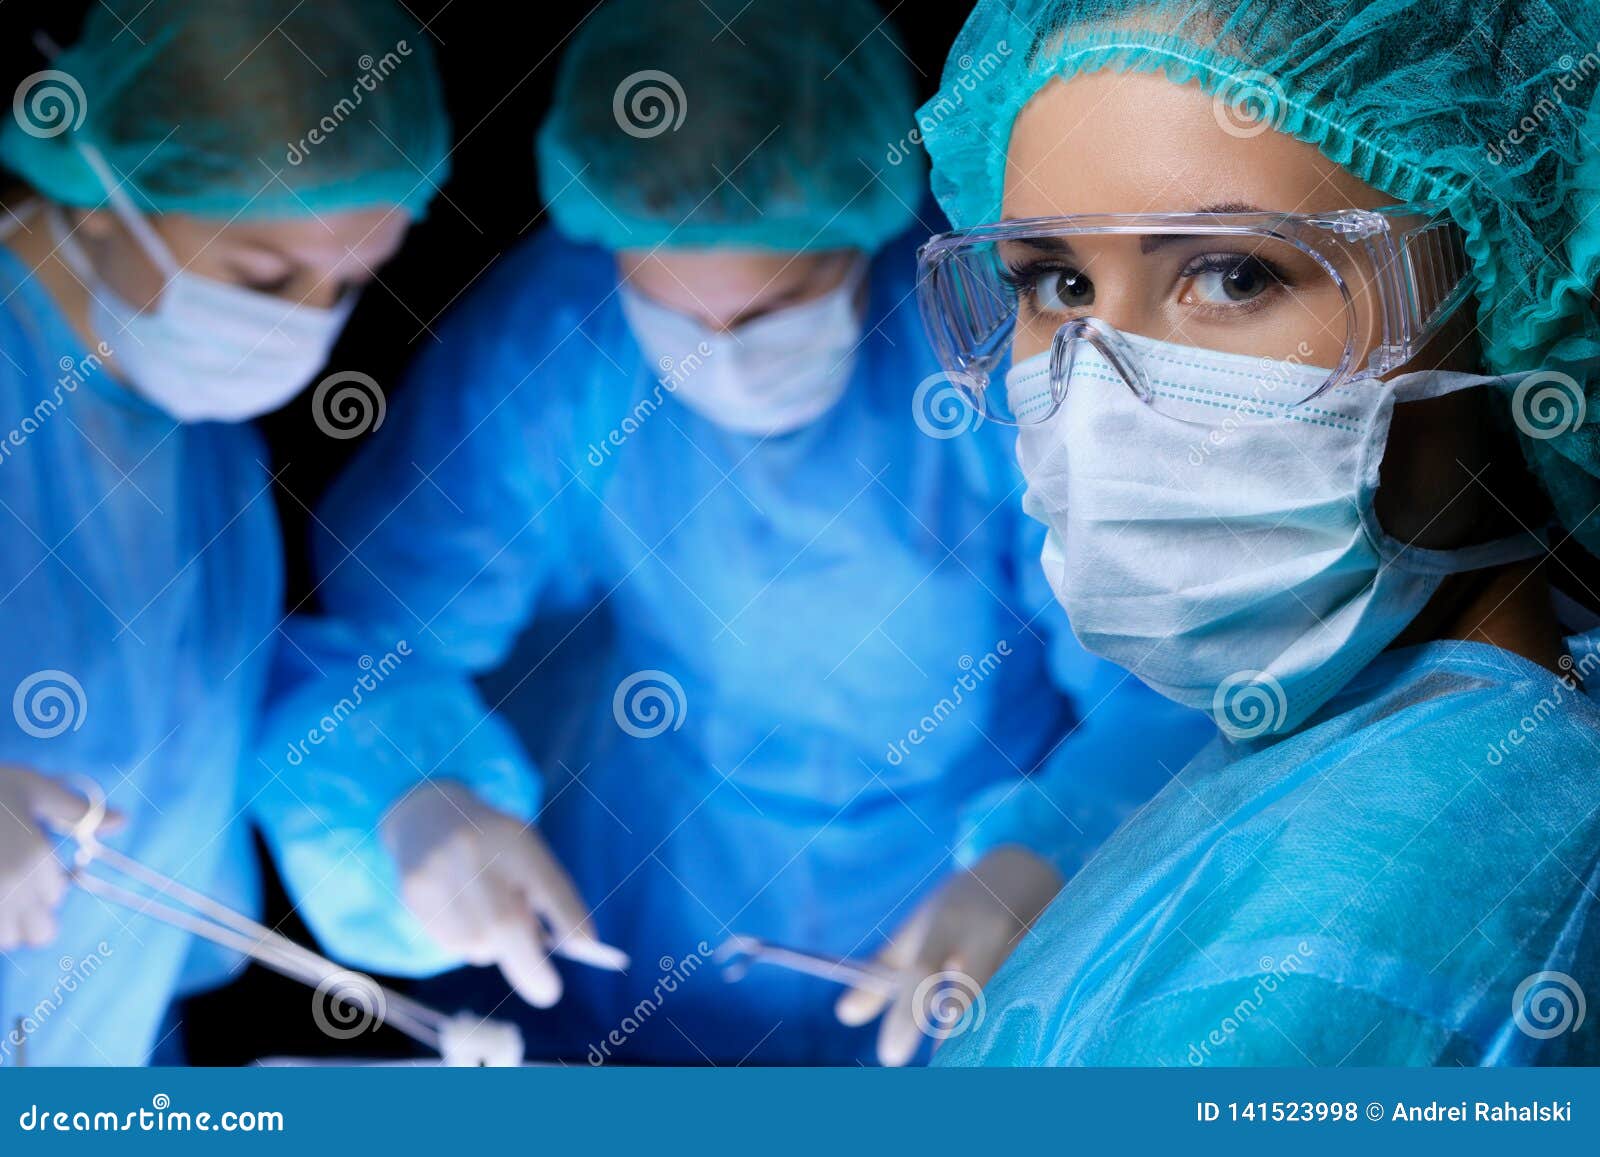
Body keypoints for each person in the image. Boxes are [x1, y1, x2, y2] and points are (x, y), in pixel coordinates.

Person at [252, 0, 1214, 1065]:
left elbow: (1167, 683)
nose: (726, 355)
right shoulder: (559, 346)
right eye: (675, 312)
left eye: (777, 303)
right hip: (640, 909)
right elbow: (376, 646)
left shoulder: (986, 332)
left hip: (959, 927)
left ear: (871, 221)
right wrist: (409, 796)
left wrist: (1050, 853)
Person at [913, 0, 1600, 1065]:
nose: (1102, 394)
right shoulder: (1366, 740)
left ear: (1513, 297)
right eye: (1057, 282)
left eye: (1235, 275)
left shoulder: (1370, 945)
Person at [0, 0, 461, 1065]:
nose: (303, 323)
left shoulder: (203, 445)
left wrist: (409, 794)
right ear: (108, 184)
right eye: (263, 274)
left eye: (349, 282)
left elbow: (213, 696)